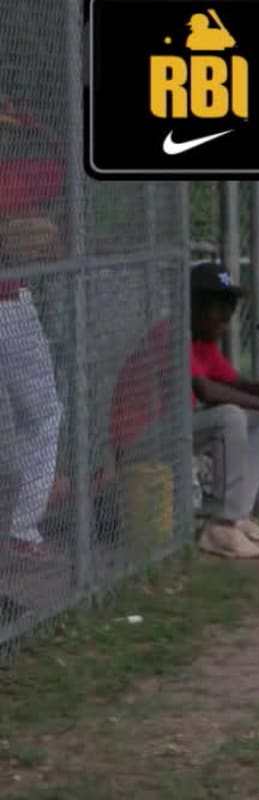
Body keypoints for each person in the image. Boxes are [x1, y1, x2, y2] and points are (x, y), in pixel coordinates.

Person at [187, 260, 259, 559]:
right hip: (145, 441)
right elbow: (205, 390)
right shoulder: (173, 335)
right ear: (195, 306)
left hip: (177, 430)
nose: (226, 320)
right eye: (219, 310)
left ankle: (237, 516)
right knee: (230, 416)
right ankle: (219, 527)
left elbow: (237, 384)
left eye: (230, 311)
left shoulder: (202, 343)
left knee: (254, 417)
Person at [0, 99, 64, 561]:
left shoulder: (14, 176)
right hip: (7, 307)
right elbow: (60, 159)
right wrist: (22, 115)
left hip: (12, 305)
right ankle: (20, 530)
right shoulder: (12, 178)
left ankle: (19, 528)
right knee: (42, 415)